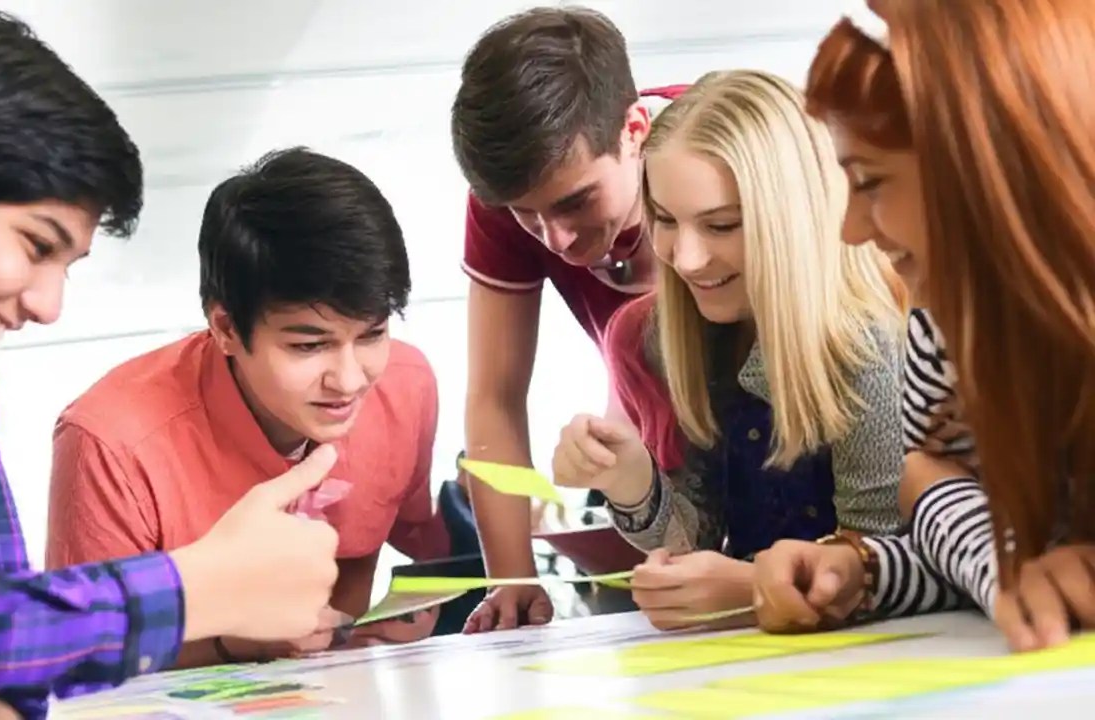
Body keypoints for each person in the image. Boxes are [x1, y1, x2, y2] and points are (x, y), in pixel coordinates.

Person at [0, 11, 339, 718]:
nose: (49, 305)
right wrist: (197, 588)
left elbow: (0, 661)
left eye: (68, 266)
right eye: (36, 246)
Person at [753, 0, 1095, 653]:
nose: (851, 230)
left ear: (990, 162)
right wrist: (867, 571)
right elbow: (938, 493)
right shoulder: (949, 322)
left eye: (870, 182)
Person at [46, 147, 450, 666]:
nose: (350, 379)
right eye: (309, 345)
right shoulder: (111, 443)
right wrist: (231, 642)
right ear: (227, 329)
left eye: (372, 334)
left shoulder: (406, 385)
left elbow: (425, 542)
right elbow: (80, 660)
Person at [551, 69, 908, 630]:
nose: (686, 258)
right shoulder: (678, 335)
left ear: (797, 221)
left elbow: (883, 562)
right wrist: (630, 477)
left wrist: (746, 586)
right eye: (664, 220)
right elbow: (695, 538)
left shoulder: (866, 340)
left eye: (722, 225)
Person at [450, 4, 688, 633]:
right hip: (671, 492)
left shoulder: (733, 144)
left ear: (635, 130)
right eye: (525, 215)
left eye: (576, 202)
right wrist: (511, 578)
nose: (554, 238)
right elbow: (495, 396)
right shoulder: (507, 202)